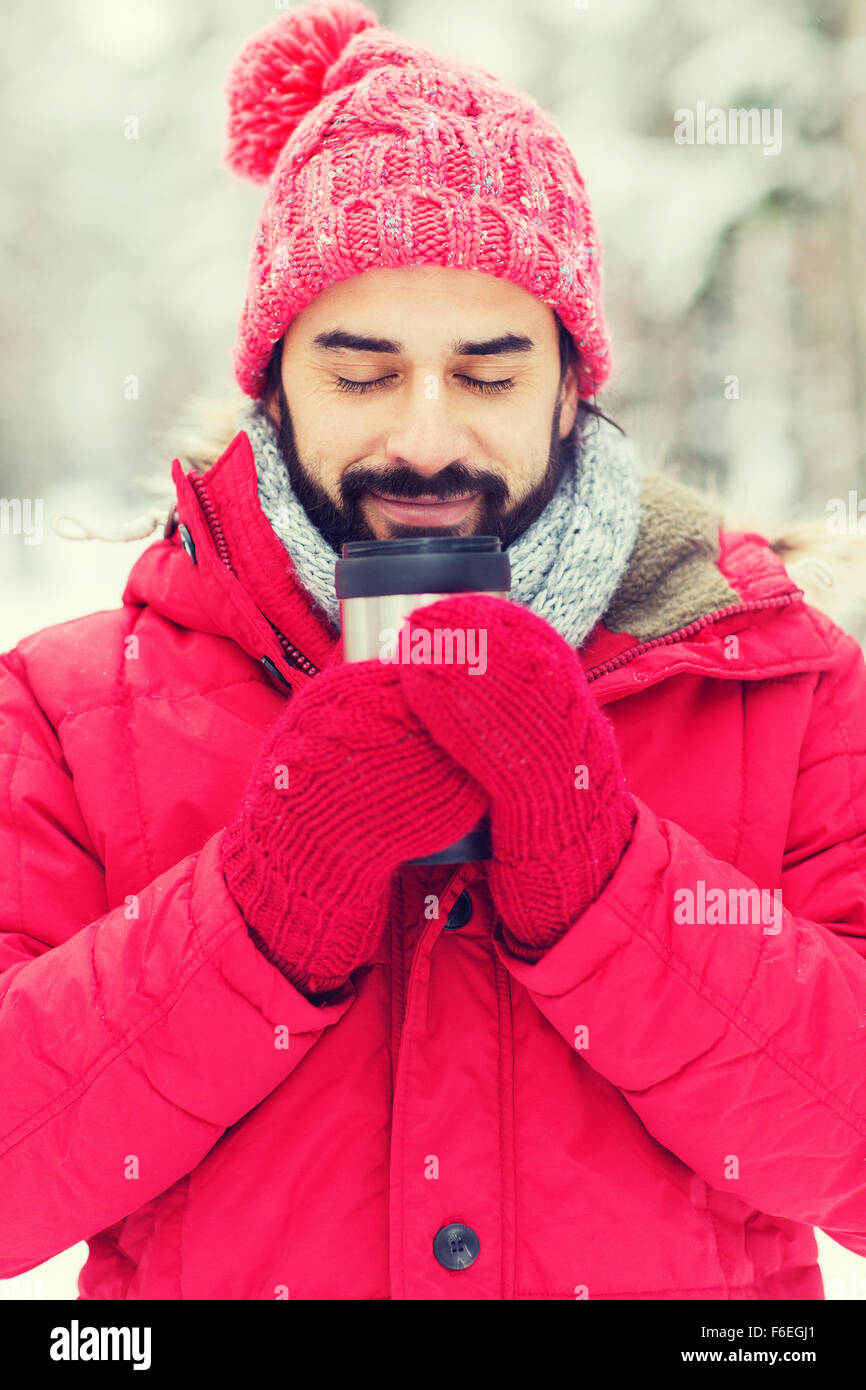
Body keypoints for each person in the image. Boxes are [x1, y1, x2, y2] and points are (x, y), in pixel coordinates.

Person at [2, 0, 865, 1302]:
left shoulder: (770, 684)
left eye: (487, 370)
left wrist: (606, 880)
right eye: (359, 372)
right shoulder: (75, 710)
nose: (423, 435)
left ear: (571, 384)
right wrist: (257, 908)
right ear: (271, 382)